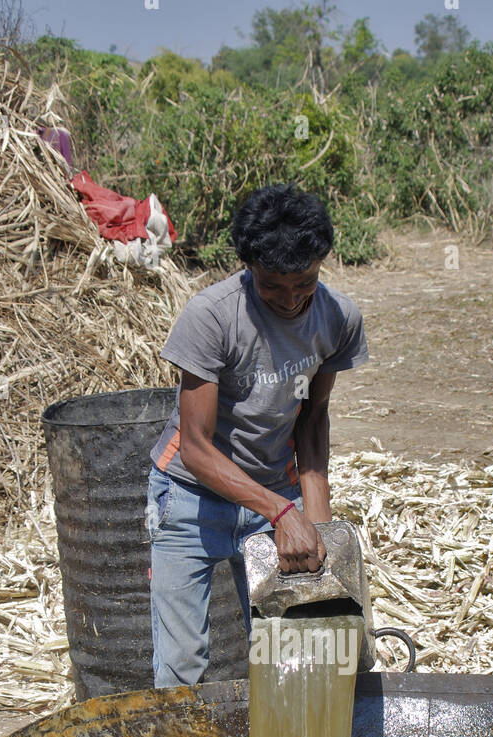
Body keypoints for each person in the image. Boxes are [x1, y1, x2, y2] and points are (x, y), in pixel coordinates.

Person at [146, 183, 369, 687]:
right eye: (273, 287)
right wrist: (282, 513)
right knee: (183, 670)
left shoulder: (337, 317)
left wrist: (318, 525)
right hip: (189, 496)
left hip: (274, 486)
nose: (290, 300)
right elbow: (198, 449)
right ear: (248, 268)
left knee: (295, 659)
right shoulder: (212, 317)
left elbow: (312, 424)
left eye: (304, 283)